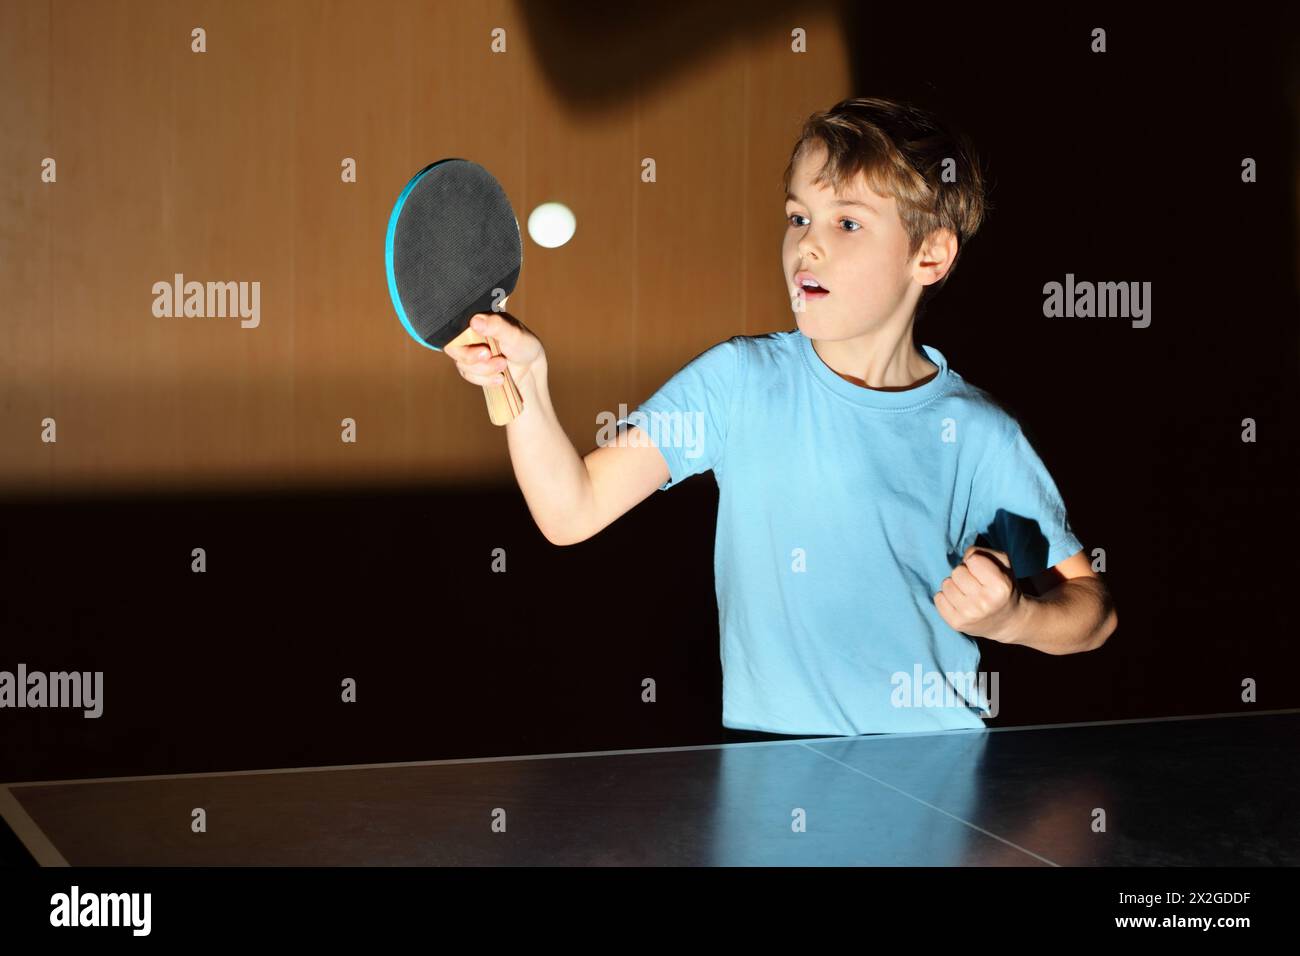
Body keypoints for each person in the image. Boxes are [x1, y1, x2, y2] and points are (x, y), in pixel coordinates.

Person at [445, 96, 1118, 738]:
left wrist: (1014, 616)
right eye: (799, 218)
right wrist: (525, 383)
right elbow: (572, 512)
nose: (808, 248)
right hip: (775, 767)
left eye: (846, 222)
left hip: (933, 760)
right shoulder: (739, 383)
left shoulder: (977, 435)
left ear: (931, 255)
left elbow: (1092, 613)